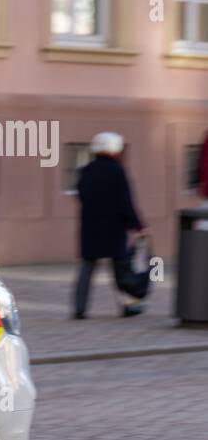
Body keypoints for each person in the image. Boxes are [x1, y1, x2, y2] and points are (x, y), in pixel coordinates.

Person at [74, 132, 149, 319]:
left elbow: (81, 196)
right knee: (119, 269)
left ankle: (79, 308)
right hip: (114, 226)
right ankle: (126, 305)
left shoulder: (86, 170)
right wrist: (138, 225)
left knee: (87, 267)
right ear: (115, 149)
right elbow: (125, 201)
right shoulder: (118, 170)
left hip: (90, 226)